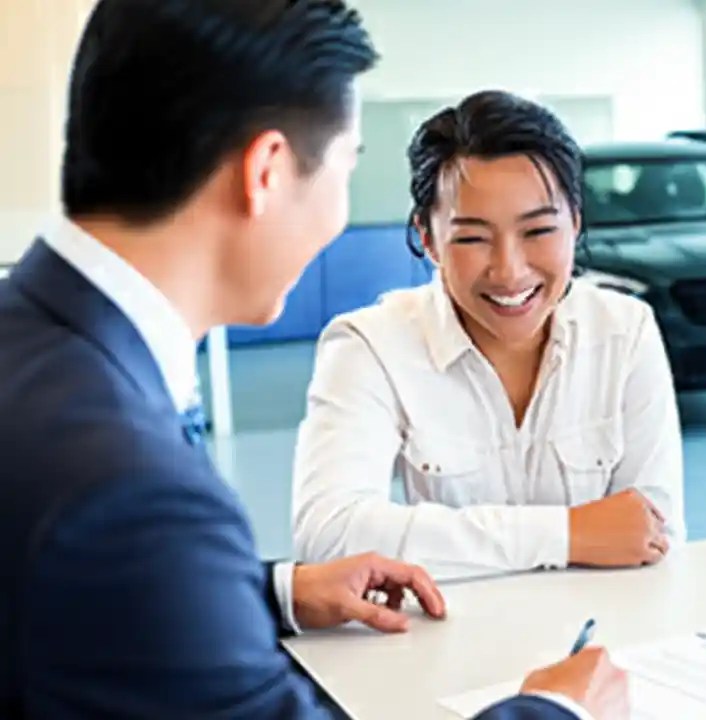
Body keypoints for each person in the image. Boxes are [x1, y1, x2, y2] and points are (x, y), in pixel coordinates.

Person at [0, 1, 628, 718]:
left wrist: (270, 592)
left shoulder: (36, 349)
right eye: (344, 164)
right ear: (266, 171)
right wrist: (557, 712)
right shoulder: (128, 493)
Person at [291, 90, 685, 581]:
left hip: (602, 636)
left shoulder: (625, 331)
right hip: (446, 641)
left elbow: (650, 532)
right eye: (473, 238)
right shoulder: (369, 346)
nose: (509, 271)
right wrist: (569, 533)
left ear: (575, 224)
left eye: (538, 231)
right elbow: (328, 533)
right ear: (429, 239)